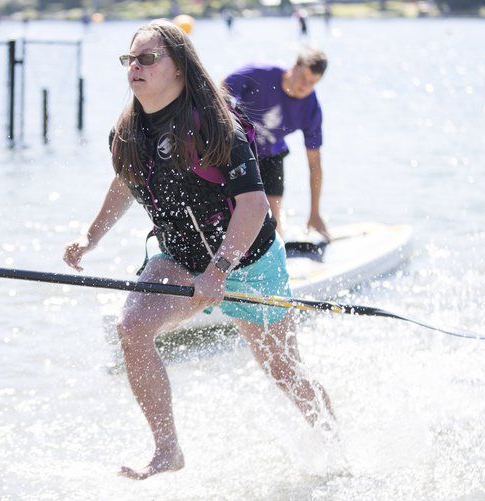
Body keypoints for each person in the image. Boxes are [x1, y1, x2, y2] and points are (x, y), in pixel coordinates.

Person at [63, 20, 335, 480]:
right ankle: (167, 449)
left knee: (283, 370)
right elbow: (124, 183)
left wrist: (220, 268)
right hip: (178, 257)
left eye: (147, 58)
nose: (135, 66)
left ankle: (336, 446)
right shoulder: (126, 132)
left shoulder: (217, 126)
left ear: (180, 69)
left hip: (247, 259)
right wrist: (91, 237)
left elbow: (252, 206)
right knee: (131, 328)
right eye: (129, 58)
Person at [223, 48, 329, 239]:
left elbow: (314, 163)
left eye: (312, 82)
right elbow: (221, 91)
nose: (305, 86)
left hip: (272, 154)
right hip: (239, 150)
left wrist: (314, 212)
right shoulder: (260, 73)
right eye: (303, 77)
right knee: (233, 210)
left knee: (272, 217)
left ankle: (276, 253)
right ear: (294, 67)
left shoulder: (311, 108)